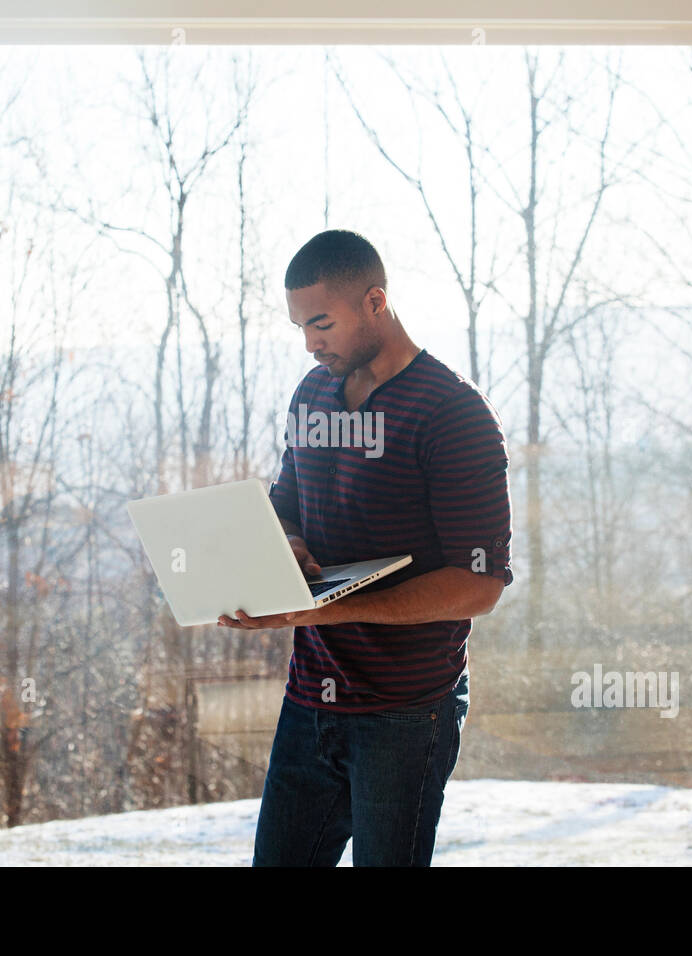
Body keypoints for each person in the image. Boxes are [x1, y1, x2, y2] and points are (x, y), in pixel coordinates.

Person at [218, 229, 513, 866]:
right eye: (300, 326)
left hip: (405, 715)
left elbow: (479, 584)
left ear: (375, 302)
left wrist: (323, 611)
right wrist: (288, 546)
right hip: (309, 699)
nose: (310, 343)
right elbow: (286, 502)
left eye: (321, 323)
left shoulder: (453, 414)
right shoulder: (312, 395)